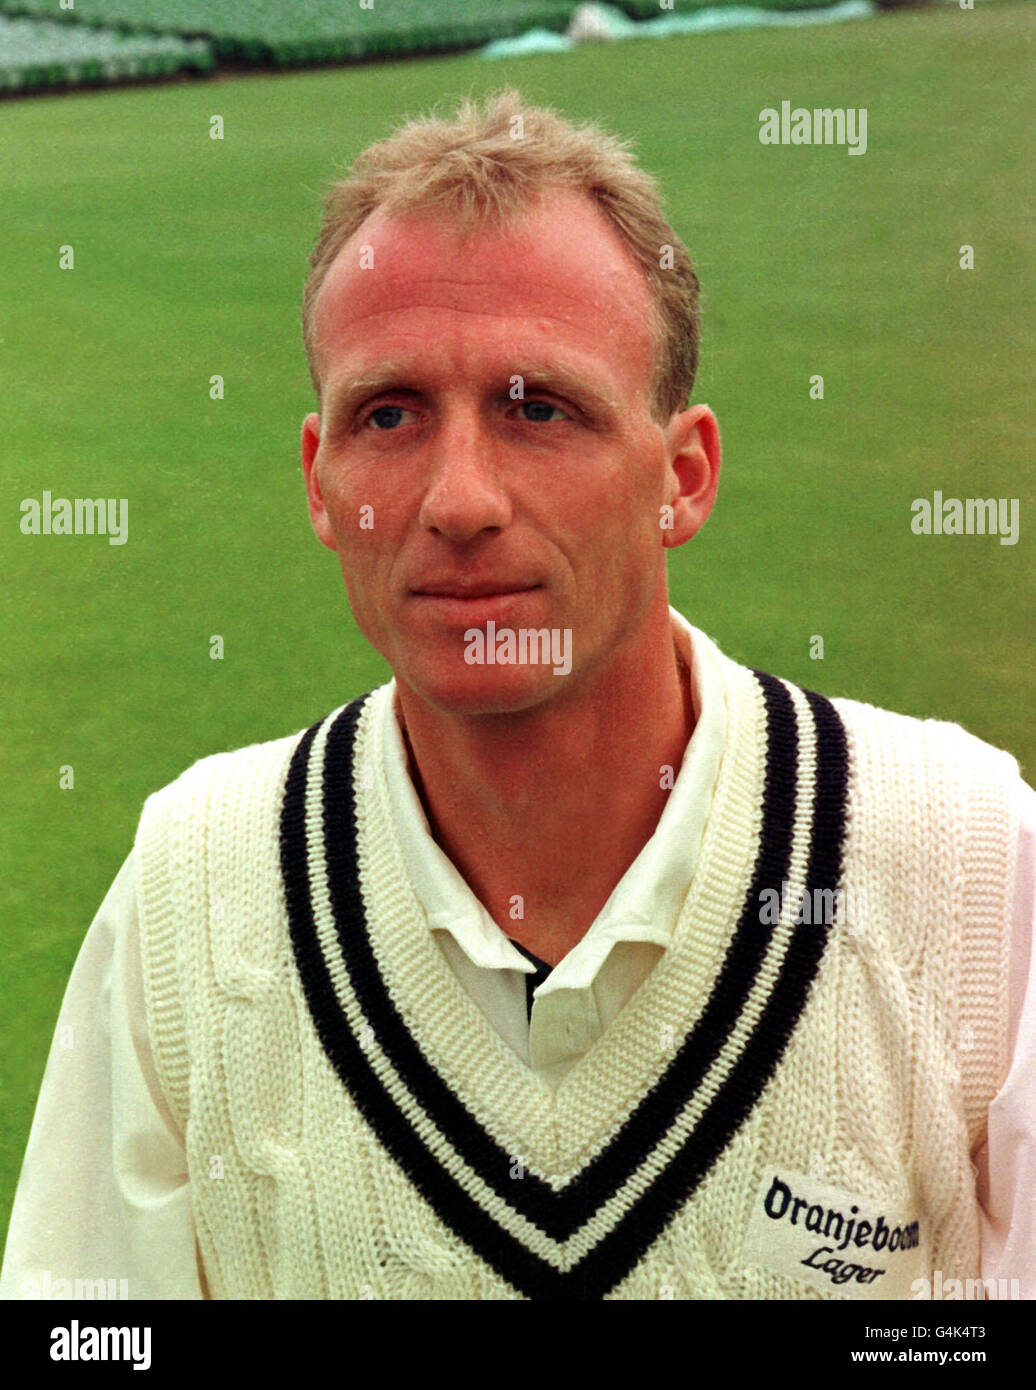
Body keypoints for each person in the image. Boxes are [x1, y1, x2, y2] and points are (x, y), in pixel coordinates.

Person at [2, 90, 1032, 1302]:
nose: (459, 500)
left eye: (537, 408)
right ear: (320, 481)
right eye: (388, 414)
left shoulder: (963, 858)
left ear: (682, 474)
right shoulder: (192, 889)